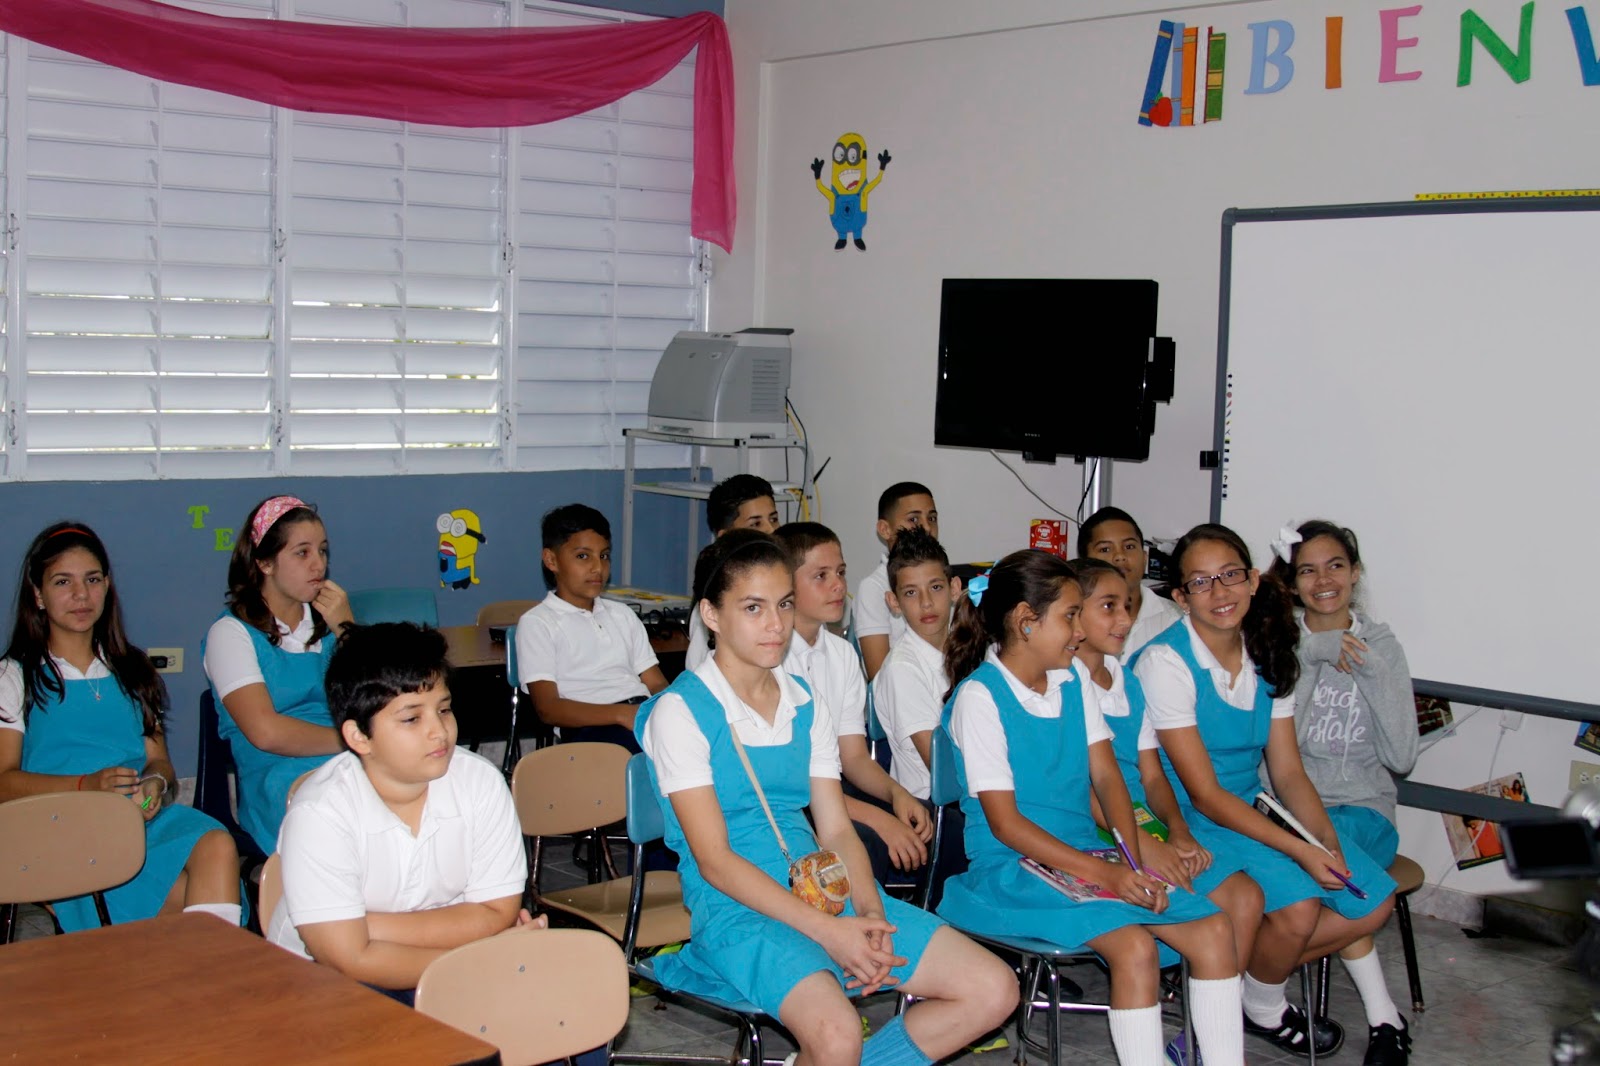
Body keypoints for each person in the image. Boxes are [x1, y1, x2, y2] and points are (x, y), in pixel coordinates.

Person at [636, 530, 1017, 1066]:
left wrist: (868, 913)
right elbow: (715, 862)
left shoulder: (803, 701)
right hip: (738, 908)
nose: (776, 624)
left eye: (784, 604)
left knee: (993, 989)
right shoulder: (681, 712)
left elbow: (836, 828)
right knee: (838, 1035)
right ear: (712, 615)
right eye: (753, 608)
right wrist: (833, 934)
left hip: (821, 888)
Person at [937, 550, 1247, 1066]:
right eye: (1070, 616)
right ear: (1025, 622)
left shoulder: (1073, 680)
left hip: (1085, 856)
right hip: (1014, 867)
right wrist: (1105, 876)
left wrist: (1131, 857)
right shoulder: (980, 697)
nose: (1079, 631)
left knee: (1214, 929)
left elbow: (1106, 776)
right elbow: (1007, 825)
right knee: (1133, 947)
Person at [1133, 524, 1404, 1064]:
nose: (1220, 591)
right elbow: (1204, 793)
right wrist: (1300, 850)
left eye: (1231, 575)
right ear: (1181, 597)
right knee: (1299, 909)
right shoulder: (1165, 661)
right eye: (1202, 582)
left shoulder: (1270, 652)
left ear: (1254, 580)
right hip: (1186, 813)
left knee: (1372, 901)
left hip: (1252, 805)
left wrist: (1323, 839)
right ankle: (1243, 1003)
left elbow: (1287, 770)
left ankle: (1247, 997)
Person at [270, 622, 531, 1002]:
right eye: (412, 718)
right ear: (359, 736)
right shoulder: (321, 813)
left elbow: (496, 912)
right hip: (318, 985)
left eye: (444, 710)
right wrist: (482, 959)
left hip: (439, 964)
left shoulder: (481, 783)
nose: (439, 732)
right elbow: (348, 959)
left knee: (561, 1012)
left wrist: (369, 926)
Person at [0, 522, 241, 930]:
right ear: (38, 595)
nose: (81, 595)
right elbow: (4, 782)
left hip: (136, 823)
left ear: (107, 586)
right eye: (63, 582)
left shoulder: (133, 669)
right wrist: (86, 785)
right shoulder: (17, 675)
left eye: (92, 580)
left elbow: (159, 762)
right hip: (61, 830)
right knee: (192, 900)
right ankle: (206, 978)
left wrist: (156, 787)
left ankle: (202, 975)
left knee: (217, 842)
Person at [1071, 558, 1266, 1062]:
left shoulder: (1126, 680)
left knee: (1242, 896)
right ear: (1073, 615)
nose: (1124, 620)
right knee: (1190, 916)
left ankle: (1203, 1043)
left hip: (1142, 821)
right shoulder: (1065, 683)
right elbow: (1081, 786)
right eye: (1107, 607)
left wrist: (1177, 831)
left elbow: (1152, 776)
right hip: (1096, 828)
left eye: (1128, 606)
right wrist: (1145, 850)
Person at [1268, 519, 1417, 1059]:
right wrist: (1311, 655)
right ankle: (1383, 1017)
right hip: (1289, 811)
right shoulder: (1279, 644)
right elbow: (1280, 754)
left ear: (1355, 573)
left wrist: (1370, 669)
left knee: (1335, 862)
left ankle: (1250, 983)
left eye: (1335, 565)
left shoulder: (1383, 646)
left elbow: (1402, 756)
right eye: (1307, 569)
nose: (1323, 580)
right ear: (1292, 583)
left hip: (1365, 809)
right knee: (1321, 874)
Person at [773, 522, 933, 886]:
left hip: (831, 787)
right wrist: (880, 819)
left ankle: (923, 930)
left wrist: (898, 794)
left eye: (841, 572)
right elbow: (798, 783)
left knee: (942, 827)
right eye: (821, 576)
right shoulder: (773, 660)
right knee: (869, 840)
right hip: (791, 800)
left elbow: (855, 758)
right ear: (786, 586)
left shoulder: (843, 654)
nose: (838, 586)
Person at [203, 496, 352, 855]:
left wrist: (348, 630)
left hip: (349, 756)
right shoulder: (231, 634)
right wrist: (354, 741)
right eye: (302, 553)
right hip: (278, 774)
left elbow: (378, 701)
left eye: (323, 550)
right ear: (265, 562)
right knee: (341, 812)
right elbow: (266, 733)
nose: (319, 564)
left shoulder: (330, 622)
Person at [518, 504, 668, 752]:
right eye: (582, 556)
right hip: (589, 729)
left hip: (639, 715)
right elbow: (548, 708)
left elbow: (656, 683)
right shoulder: (538, 623)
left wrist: (670, 706)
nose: (598, 567)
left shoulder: (623, 615)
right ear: (551, 560)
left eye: (604, 555)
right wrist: (621, 714)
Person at [870, 527, 959, 802]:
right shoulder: (903, 669)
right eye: (910, 593)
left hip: (983, 793)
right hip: (937, 807)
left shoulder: (972, 649)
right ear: (894, 603)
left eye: (935, 587)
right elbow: (944, 770)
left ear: (954, 588)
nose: (926, 603)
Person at [685, 475, 781, 671]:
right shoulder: (714, 604)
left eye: (774, 519)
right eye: (755, 524)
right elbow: (699, 674)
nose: (771, 530)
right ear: (725, 537)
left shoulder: (785, 586)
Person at [854, 482, 939, 681]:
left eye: (932, 518)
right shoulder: (873, 588)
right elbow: (880, 678)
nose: (927, 528)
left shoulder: (943, 578)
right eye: (914, 519)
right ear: (884, 529)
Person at [1078, 506, 1181, 661]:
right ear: (1085, 562)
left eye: (1129, 547)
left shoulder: (1176, 620)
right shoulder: (1072, 622)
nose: (1120, 556)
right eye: (1105, 549)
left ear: (1145, 557)